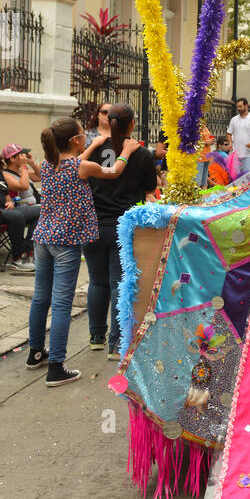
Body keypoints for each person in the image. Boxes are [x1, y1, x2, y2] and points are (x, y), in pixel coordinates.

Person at [27, 116, 138, 386]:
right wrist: (127, 151)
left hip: (42, 238)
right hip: (66, 244)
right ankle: (56, 367)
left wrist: (95, 144)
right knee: (62, 303)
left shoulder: (48, 165)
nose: (87, 140)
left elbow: (76, 163)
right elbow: (113, 172)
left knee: (41, 298)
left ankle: (35, 353)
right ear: (75, 140)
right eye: (83, 137)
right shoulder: (82, 167)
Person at [82, 103, 158, 358]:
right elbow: (150, 188)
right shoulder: (141, 153)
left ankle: (96, 336)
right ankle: (116, 342)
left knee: (97, 281)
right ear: (132, 124)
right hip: (124, 226)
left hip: (93, 223)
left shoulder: (93, 150)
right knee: (119, 284)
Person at [0, 143, 40, 271]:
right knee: (15, 215)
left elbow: (6, 197)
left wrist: (10, 202)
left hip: (3, 211)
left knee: (40, 210)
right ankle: (17, 258)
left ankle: (28, 252)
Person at [228, 98, 250, 176]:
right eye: (237, 107)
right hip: (236, 154)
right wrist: (230, 143)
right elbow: (229, 133)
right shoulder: (234, 120)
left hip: (248, 155)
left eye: (240, 106)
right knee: (235, 178)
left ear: (246, 106)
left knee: (247, 178)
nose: (238, 109)